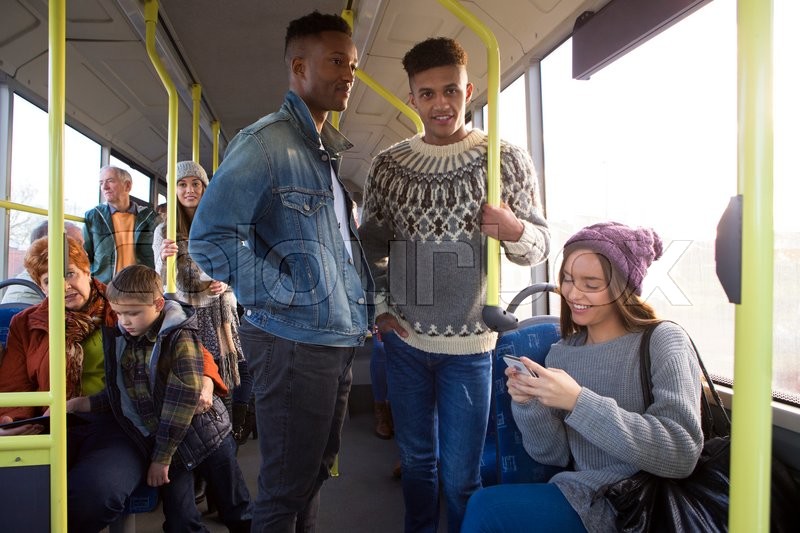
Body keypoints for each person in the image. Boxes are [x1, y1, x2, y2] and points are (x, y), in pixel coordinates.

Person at [187, 11, 372, 531]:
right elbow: (209, 238)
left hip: (333, 339)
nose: (349, 75)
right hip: (294, 342)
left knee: (311, 475)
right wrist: (287, 291)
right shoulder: (267, 143)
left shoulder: (323, 153)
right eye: (336, 61)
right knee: (283, 490)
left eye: (353, 65)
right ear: (299, 66)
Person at [358, 37, 550, 532]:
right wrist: (380, 307)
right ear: (412, 97)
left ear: (470, 90)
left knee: (461, 476)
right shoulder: (389, 166)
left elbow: (539, 248)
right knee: (418, 464)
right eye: (427, 94)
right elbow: (367, 247)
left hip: (470, 347)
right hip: (403, 341)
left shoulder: (504, 161)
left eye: (451, 91)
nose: (440, 104)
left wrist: (514, 230)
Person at [460, 222, 704, 533]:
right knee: (484, 506)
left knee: (487, 511)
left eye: (591, 284)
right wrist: (528, 403)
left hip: (648, 502)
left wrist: (578, 401)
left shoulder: (662, 339)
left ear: (624, 287)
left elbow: (681, 453)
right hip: (586, 497)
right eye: (568, 279)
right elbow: (554, 454)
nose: (573, 293)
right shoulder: (562, 353)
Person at [0, 236, 227, 531]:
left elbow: (184, 344)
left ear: (86, 269)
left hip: (117, 422)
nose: (64, 286)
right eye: (48, 280)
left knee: (94, 494)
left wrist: (207, 380)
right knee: (20, 492)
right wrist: (11, 420)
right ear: (41, 287)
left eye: (70, 273)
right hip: (53, 420)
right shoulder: (26, 323)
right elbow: (14, 387)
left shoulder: (122, 303)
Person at [67, 265, 252, 532]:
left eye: (133, 313)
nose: (124, 321)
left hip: (205, 435)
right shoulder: (128, 340)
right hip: (170, 441)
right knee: (180, 519)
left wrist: (161, 458)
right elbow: (127, 393)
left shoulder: (179, 338)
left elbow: (183, 399)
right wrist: (81, 404)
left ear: (157, 304)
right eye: (119, 314)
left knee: (236, 506)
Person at [153, 160, 252, 441]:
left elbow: (237, 264)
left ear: (205, 188)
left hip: (221, 306)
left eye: (196, 183)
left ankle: (237, 423)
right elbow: (161, 282)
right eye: (182, 184)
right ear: (174, 190)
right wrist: (163, 259)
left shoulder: (221, 225)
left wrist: (226, 280)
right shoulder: (164, 232)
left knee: (236, 364)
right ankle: (212, 425)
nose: (189, 190)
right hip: (188, 308)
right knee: (200, 370)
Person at [83, 165, 157, 283]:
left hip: (141, 286)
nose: (104, 187)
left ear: (127, 186)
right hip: (105, 288)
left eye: (110, 181)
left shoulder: (149, 217)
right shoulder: (94, 216)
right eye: (101, 183)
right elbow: (85, 255)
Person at [0, 220, 82, 306]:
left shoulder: (34, 276)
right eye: (75, 246)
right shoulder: (36, 289)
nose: (85, 253)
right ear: (44, 248)